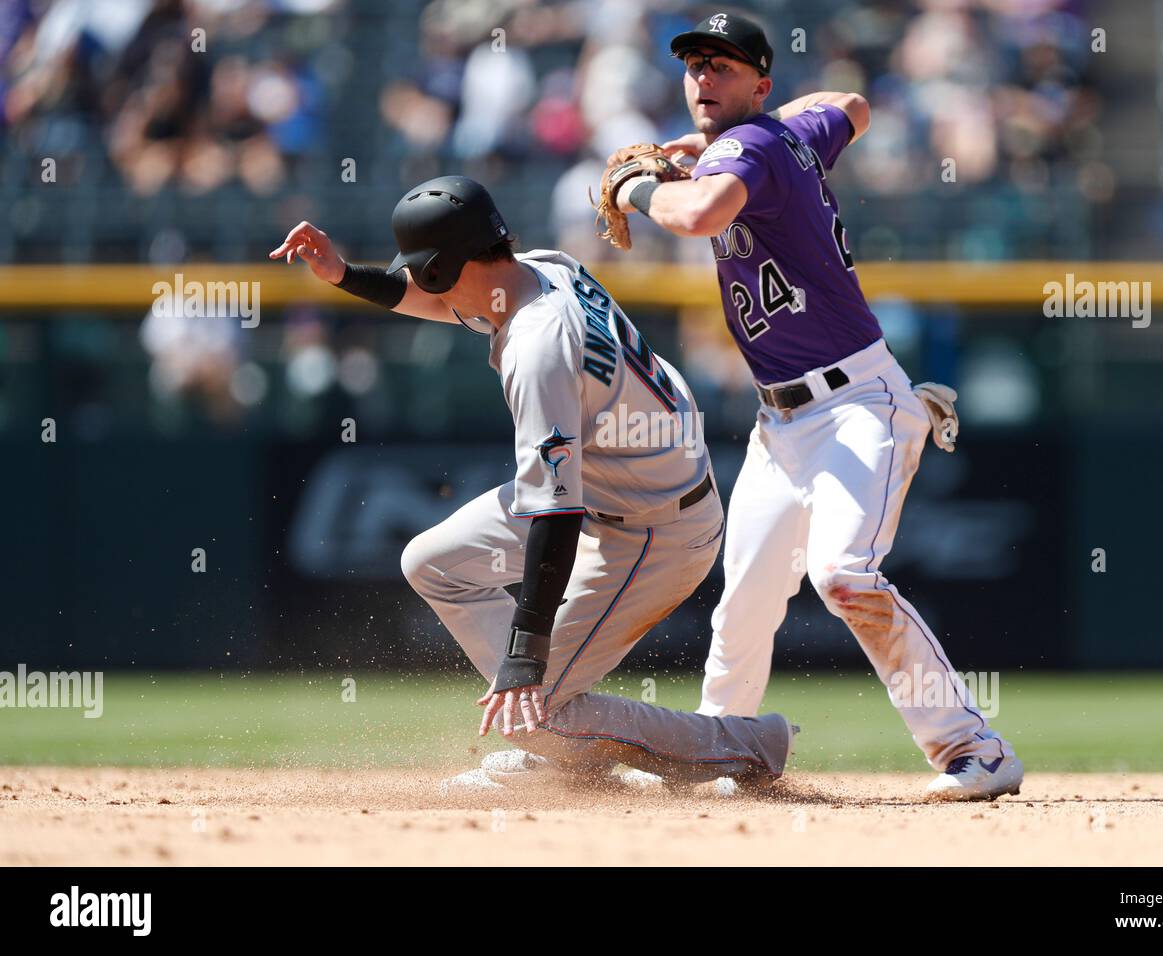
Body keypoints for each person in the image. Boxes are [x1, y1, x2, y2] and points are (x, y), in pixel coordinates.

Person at [609, 12, 1022, 800]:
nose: (703, 79)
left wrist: (640, 186)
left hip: (858, 404)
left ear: (759, 82)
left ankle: (978, 749)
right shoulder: (777, 138)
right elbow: (855, 105)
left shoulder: (752, 147)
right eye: (695, 65)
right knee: (745, 605)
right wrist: (762, 129)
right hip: (783, 422)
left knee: (843, 575)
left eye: (723, 67)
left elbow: (694, 217)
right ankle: (717, 751)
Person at [269, 175, 795, 791]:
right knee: (433, 562)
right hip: (618, 486)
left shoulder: (538, 347)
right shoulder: (537, 268)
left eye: (423, 268)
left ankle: (747, 745)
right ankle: (562, 741)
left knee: (530, 708)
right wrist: (341, 274)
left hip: (654, 530)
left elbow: (556, 515)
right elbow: (440, 300)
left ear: (443, 267)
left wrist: (523, 659)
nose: (418, 279)